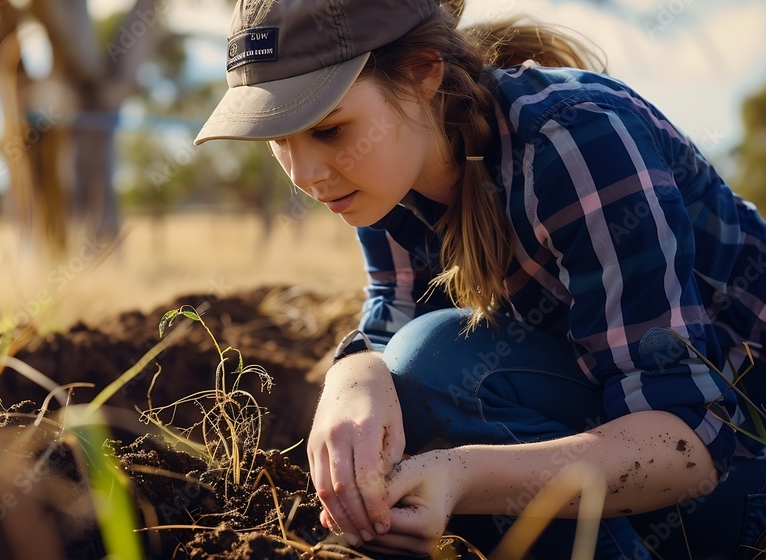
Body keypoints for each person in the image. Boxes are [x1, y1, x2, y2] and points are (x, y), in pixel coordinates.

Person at [193, 0, 766, 557]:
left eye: (330, 130)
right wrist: (351, 376)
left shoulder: (576, 141)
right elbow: (390, 317)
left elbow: (689, 444)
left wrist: (462, 475)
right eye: (279, 140)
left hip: (740, 476)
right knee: (401, 380)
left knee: (436, 365)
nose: (307, 176)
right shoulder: (383, 178)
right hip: (632, 450)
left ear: (423, 73)